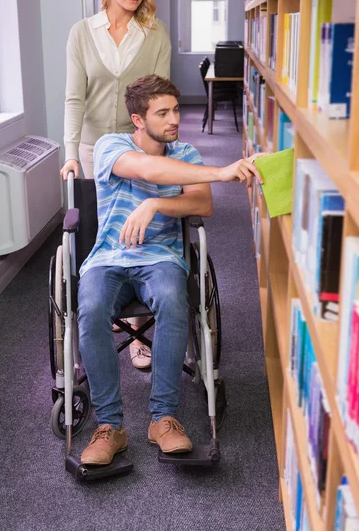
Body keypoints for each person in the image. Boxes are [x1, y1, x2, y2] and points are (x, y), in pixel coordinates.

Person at [77, 74, 264, 465]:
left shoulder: (187, 154)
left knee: (172, 299)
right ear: (138, 120)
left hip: (161, 257)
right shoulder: (111, 145)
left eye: (176, 110)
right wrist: (222, 171)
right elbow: (148, 171)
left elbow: (203, 205)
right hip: (109, 257)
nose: (174, 119)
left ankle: (163, 418)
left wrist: (156, 206)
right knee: (91, 309)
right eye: (162, 113)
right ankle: (110, 426)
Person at [61, 0, 171, 367]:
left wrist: (160, 149)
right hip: (91, 147)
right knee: (97, 234)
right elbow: (74, 96)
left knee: (140, 233)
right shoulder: (82, 32)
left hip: (136, 148)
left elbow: (160, 95)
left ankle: (140, 335)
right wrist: (71, 152)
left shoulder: (155, 32)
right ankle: (103, 314)